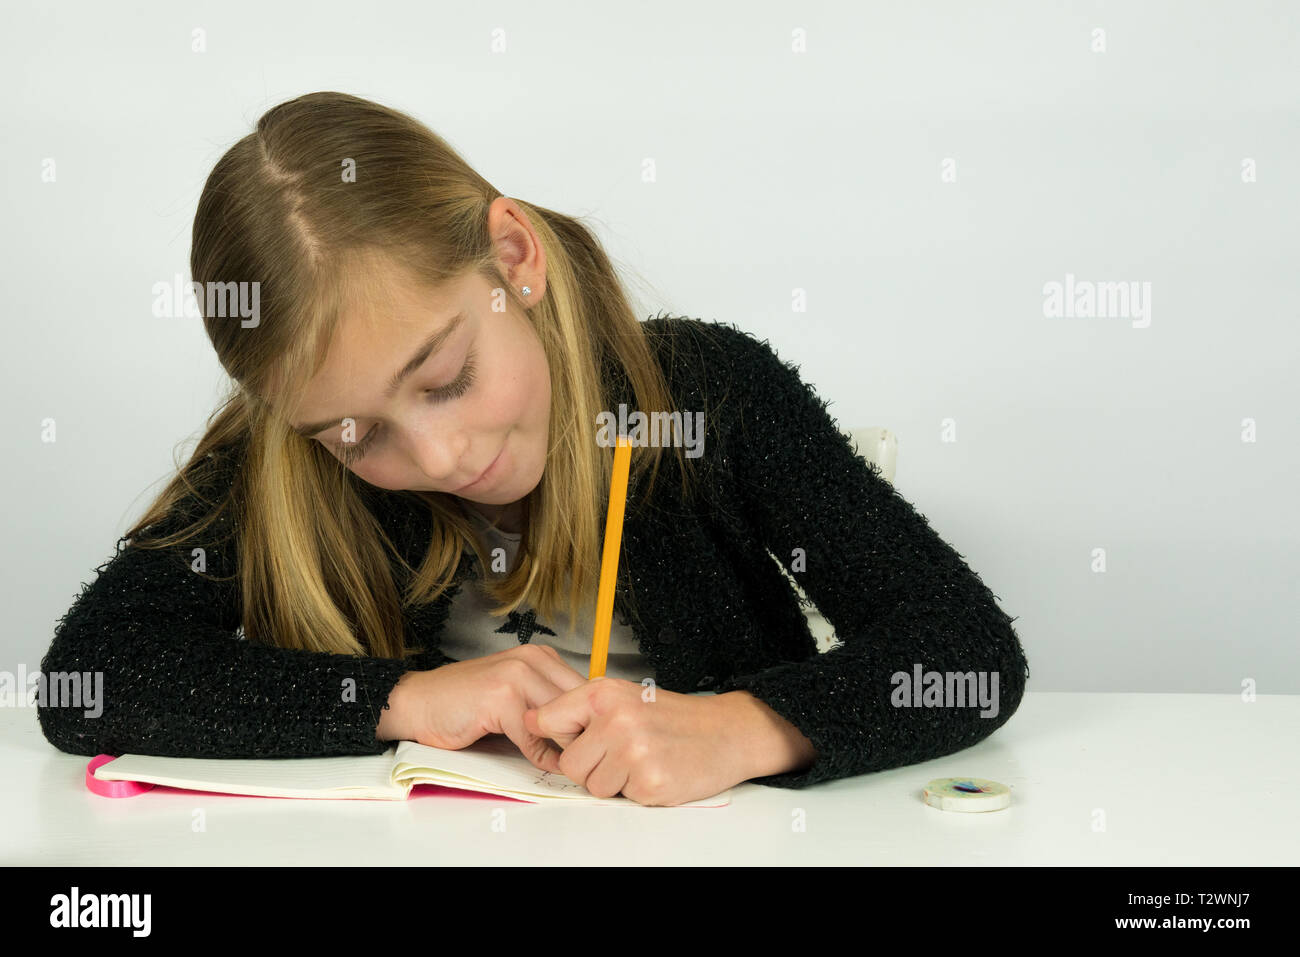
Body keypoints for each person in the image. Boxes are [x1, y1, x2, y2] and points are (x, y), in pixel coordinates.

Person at [37, 91, 1030, 807]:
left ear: (513, 259)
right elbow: (93, 675)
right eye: (352, 433)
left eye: (445, 379)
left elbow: (965, 654)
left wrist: (744, 728)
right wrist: (404, 701)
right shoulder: (284, 458)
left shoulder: (708, 394)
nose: (434, 455)